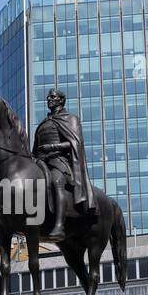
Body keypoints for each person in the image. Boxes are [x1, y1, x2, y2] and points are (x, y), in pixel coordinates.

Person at [32, 88, 95, 238]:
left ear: (61, 100)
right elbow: (35, 150)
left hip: (60, 162)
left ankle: (59, 225)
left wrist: (52, 147)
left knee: (56, 181)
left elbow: (75, 143)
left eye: (52, 96)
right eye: (48, 97)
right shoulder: (42, 124)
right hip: (42, 162)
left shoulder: (70, 119)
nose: (49, 99)